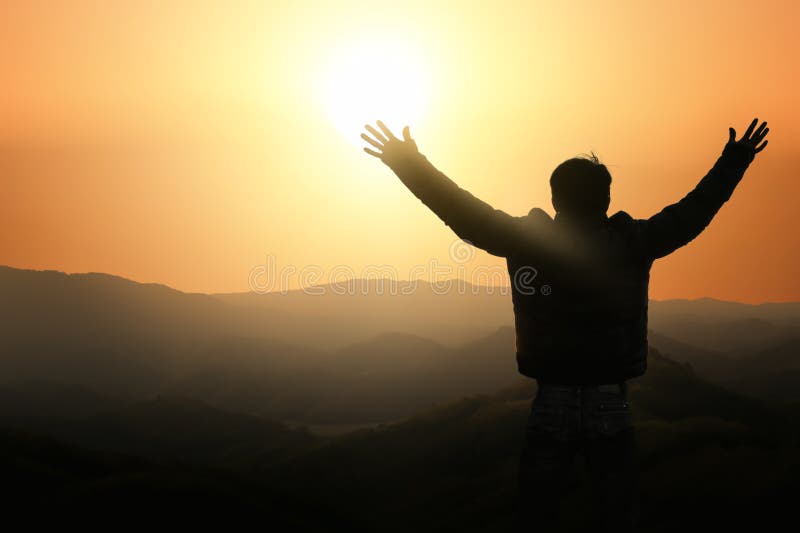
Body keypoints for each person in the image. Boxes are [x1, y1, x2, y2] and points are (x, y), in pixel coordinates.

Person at [361, 118, 769, 531]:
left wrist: (407, 163)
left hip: (551, 399)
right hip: (611, 399)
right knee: (618, 512)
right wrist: (733, 161)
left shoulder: (526, 240)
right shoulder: (632, 242)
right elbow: (693, 212)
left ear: (555, 198)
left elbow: (462, 211)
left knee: (538, 512)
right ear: (606, 198)